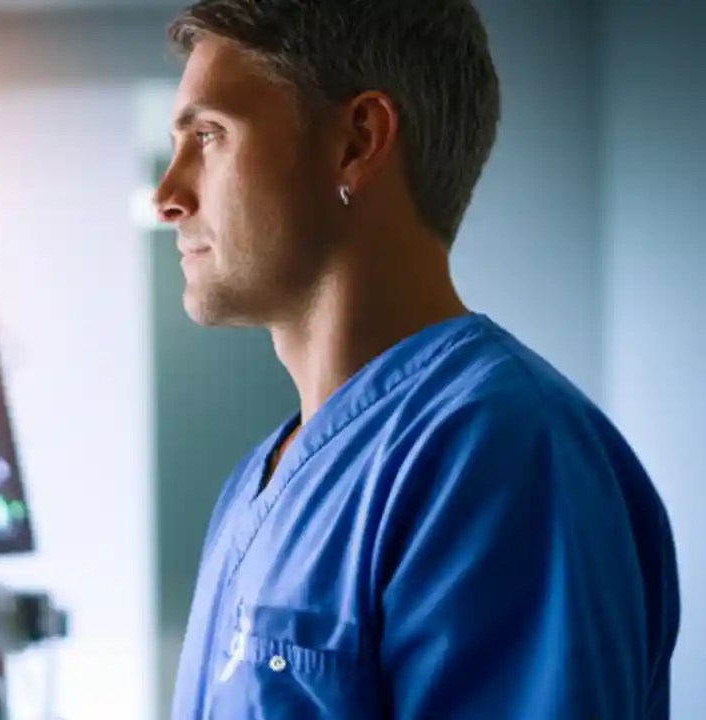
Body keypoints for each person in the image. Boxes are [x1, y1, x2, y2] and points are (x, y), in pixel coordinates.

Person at [154, 1, 680, 718]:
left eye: (209, 136)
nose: (167, 196)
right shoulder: (259, 480)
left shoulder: (497, 455)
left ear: (356, 141)